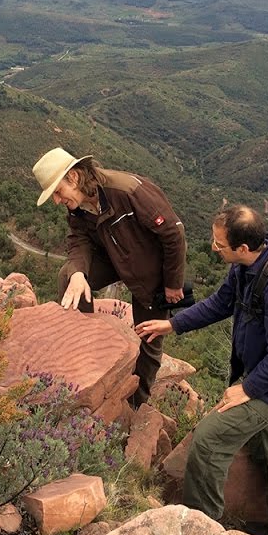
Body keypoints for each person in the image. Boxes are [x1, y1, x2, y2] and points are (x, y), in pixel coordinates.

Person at [134, 204, 268, 535]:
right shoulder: (246, 267)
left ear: (243, 248)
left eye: (220, 244)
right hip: (264, 376)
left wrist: (246, 388)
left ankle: (200, 531)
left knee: (210, 439)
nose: (214, 248)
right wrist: (172, 324)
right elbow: (220, 303)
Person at [32, 147, 188, 408]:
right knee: (68, 278)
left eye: (57, 192)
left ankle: (135, 402)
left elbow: (174, 234)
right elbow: (78, 239)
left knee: (148, 337)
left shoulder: (127, 191)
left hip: (149, 269)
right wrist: (79, 273)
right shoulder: (78, 206)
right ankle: (87, 357)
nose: (57, 201)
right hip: (115, 258)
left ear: (73, 177)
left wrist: (173, 282)